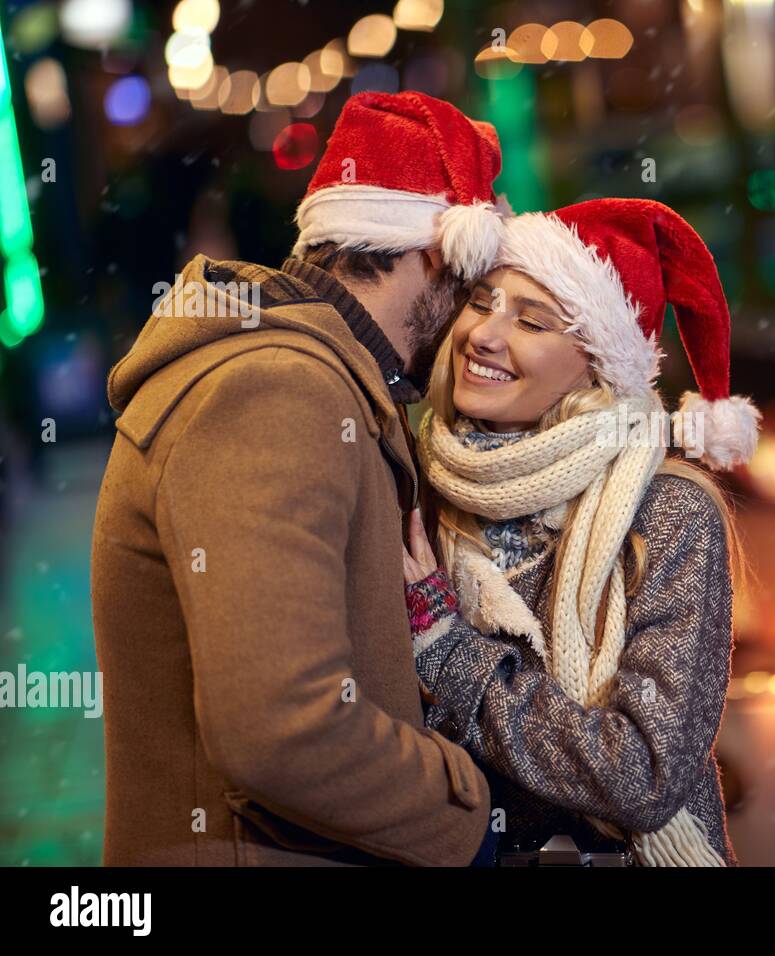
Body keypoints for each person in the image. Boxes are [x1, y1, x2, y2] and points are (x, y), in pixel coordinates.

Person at [90, 91, 510, 866]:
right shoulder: (279, 388)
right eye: (477, 286)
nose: (475, 324)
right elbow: (281, 724)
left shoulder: (313, 374)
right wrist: (467, 811)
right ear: (437, 254)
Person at [402, 197, 762, 866]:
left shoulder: (667, 514)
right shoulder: (422, 482)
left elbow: (641, 776)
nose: (483, 334)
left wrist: (449, 652)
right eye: (483, 302)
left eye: (532, 320)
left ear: (597, 364)